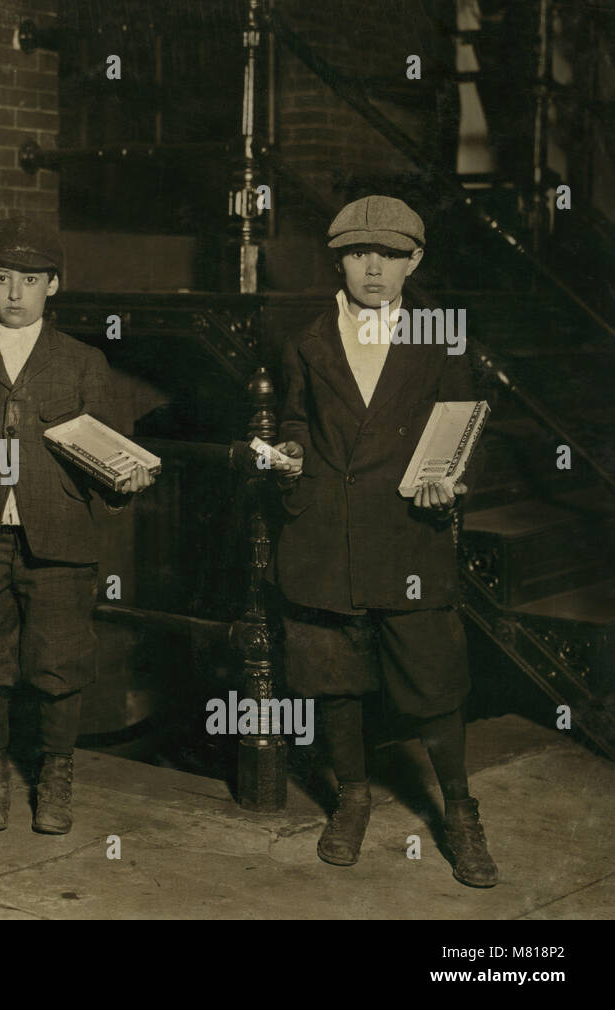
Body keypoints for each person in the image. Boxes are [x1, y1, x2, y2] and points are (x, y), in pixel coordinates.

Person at [271, 195, 497, 887]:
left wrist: (450, 480)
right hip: (326, 536)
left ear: (414, 262)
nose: (374, 268)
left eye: (391, 255)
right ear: (337, 261)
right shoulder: (305, 339)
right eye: (359, 254)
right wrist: (288, 457)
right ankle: (353, 797)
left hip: (407, 535)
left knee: (434, 682)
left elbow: (464, 425)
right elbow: (297, 422)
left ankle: (460, 813)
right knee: (332, 676)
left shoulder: (440, 339)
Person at [0, 216, 154, 834]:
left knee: (59, 663)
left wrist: (126, 478)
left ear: (53, 286)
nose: (15, 293)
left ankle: (56, 778)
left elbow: (111, 451)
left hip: (59, 540)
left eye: (30, 279)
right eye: (1, 279)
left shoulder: (82, 362)